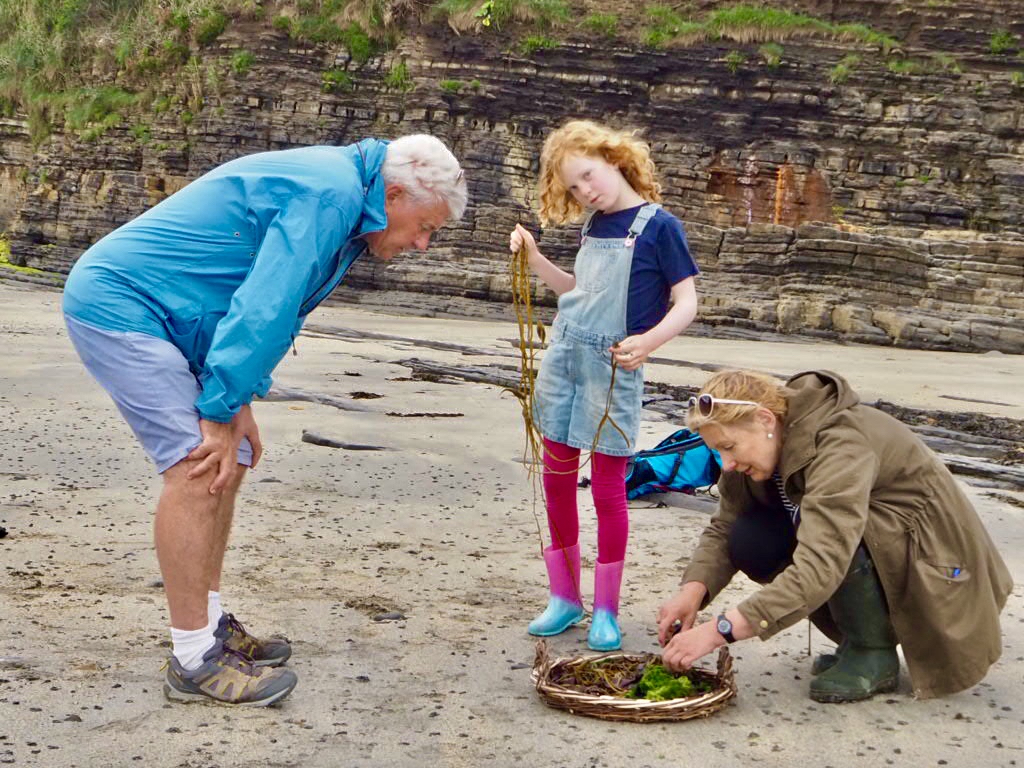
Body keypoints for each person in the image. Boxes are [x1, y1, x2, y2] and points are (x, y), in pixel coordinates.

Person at [62, 135, 468, 706]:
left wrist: (240, 399)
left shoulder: (348, 197)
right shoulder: (330, 194)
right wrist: (218, 409)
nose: (423, 244)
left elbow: (244, 294)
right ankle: (194, 659)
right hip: (123, 305)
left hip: (179, 315)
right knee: (198, 466)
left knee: (235, 456)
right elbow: (266, 305)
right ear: (395, 195)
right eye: (425, 227)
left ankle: (209, 625)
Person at [656, 369, 1012, 702]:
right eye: (717, 451)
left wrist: (719, 631)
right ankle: (857, 638)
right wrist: (693, 591)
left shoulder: (839, 443)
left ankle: (872, 651)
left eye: (729, 447)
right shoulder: (757, 449)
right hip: (876, 547)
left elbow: (821, 561)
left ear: (765, 419)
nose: (726, 463)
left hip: (938, 565)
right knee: (751, 540)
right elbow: (726, 524)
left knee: (830, 534)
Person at [508, 119, 699, 651]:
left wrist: (649, 342)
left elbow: (687, 302)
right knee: (555, 477)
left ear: (615, 158)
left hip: (615, 365)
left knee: (609, 489)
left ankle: (606, 611)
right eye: (573, 187)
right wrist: (534, 258)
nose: (585, 191)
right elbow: (576, 291)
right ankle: (565, 598)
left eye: (588, 175)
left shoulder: (660, 227)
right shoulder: (593, 226)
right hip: (565, 355)